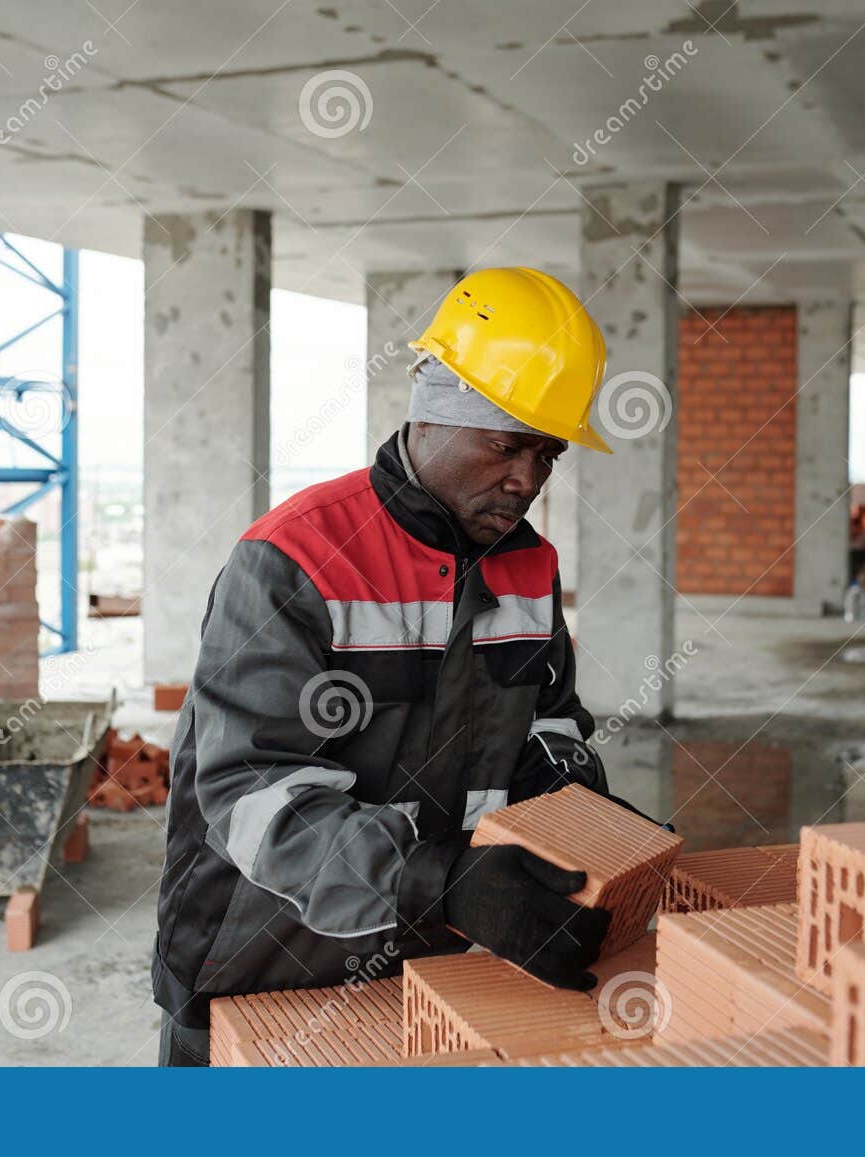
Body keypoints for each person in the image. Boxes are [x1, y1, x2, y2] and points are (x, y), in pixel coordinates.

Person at [152, 267, 646, 1067]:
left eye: (547, 453)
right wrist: (443, 882)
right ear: (433, 413)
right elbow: (252, 797)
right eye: (506, 443)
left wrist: (581, 810)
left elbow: (550, 720)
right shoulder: (296, 558)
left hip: (436, 961)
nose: (528, 479)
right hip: (262, 962)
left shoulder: (529, 566)